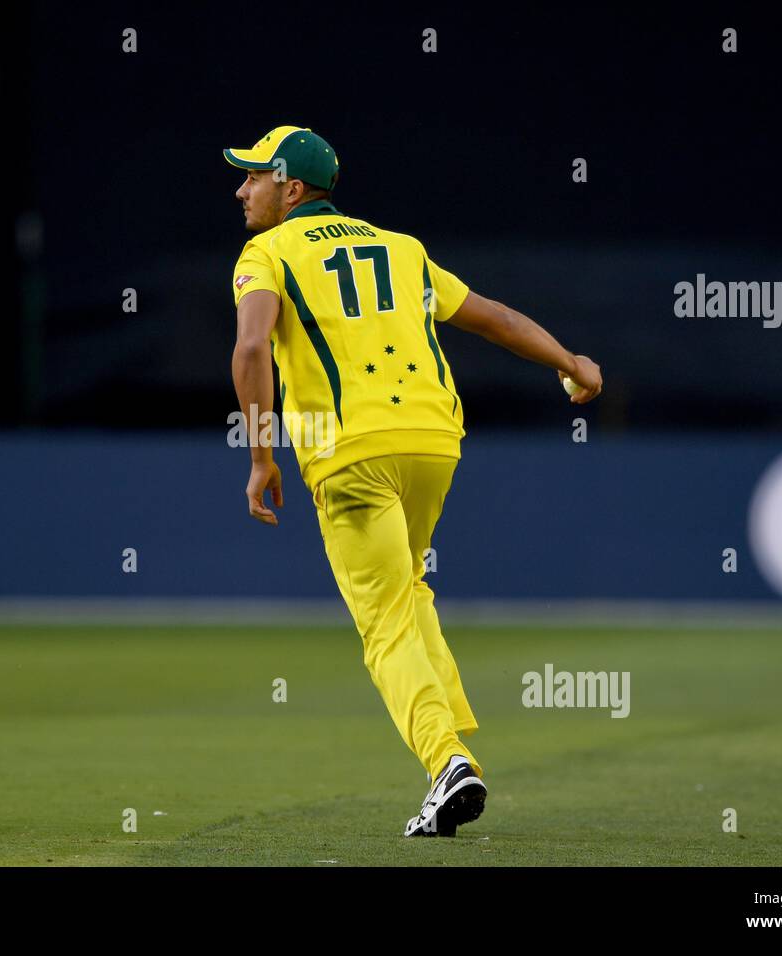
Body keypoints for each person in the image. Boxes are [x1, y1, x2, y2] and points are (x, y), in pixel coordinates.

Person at [226, 126, 602, 837]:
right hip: (434, 441)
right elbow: (493, 318)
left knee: (385, 621)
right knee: (411, 589)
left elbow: (251, 349)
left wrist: (261, 454)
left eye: (253, 177)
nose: (242, 189)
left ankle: (446, 760)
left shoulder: (265, 253)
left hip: (347, 451)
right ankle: (454, 732)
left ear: (292, 188)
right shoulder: (403, 248)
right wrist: (572, 362)